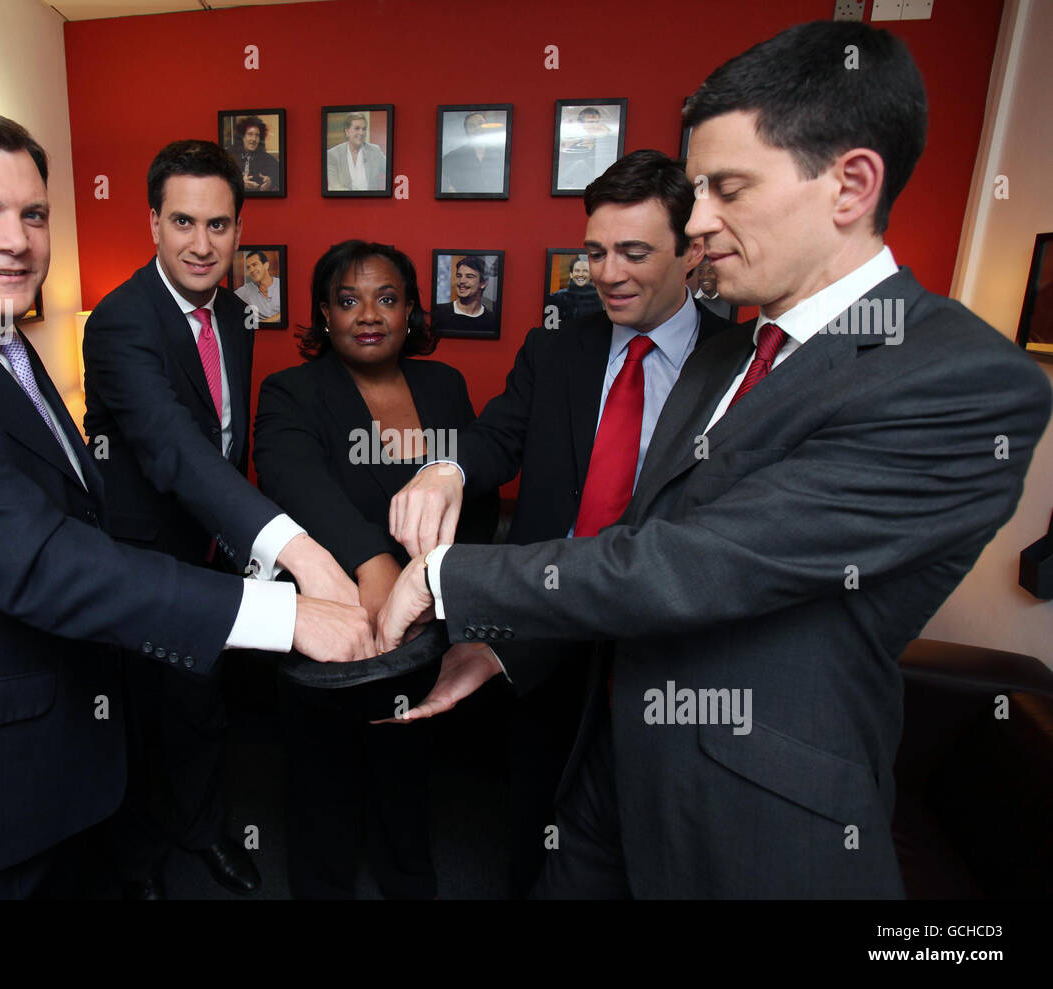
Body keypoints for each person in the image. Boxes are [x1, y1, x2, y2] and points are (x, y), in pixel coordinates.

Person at [380, 21, 1053, 898]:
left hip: (747, 817)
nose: (698, 224)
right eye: (696, 192)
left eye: (725, 188)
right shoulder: (740, 354)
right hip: (605, 764)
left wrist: (450, 577)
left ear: (850, 183)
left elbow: (698, 562)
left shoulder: (962, 380)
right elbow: (631, 531)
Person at [0, 109, 373, 900]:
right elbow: (43, 551)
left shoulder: (0, 334)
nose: (16, 239)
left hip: (64, 742)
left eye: (32, 214)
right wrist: (289, 608)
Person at [396, 150, 734, 896]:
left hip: (666, 649)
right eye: (595, 251)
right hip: (544, 638)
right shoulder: (555, 347)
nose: (607, 272)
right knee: (536, 826)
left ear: (692, 250)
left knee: (651, 846)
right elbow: (496, 438)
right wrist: (446, 468)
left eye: (634, 252)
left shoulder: (738, 363)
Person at [82, 139, 357, 898]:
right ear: (152, 223)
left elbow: (224, 439)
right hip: (140, 559)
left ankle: (200, 832)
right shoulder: (117, 324)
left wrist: (242, 542)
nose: (202, 245)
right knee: (139, 720)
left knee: (202, 708)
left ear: (240, 229)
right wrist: (290, 546)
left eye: (219, 225)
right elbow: (172, 448)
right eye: (183, 222)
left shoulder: (236, 311)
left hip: (211, 549)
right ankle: (136, 865)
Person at [253, 240, 497, 899]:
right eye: (348, 299)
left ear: (412, 311)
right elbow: (295, 481)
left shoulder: (444, 385)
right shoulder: (290, 391)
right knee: (321, 784)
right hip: (330, 631)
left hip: (423, 625)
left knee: (405, 767)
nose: (369, 314)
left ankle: (408, 877)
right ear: (323, 315)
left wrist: (456, 592)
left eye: (387, 298)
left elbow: (469, 492)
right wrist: (375, 562)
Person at [431, 255, 498, 334]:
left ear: (483, 283)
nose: (461, 281)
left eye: (469, 276)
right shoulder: (438, 312)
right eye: (459, 276)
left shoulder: (492, 320)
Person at [441, 111, 505, 194]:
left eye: (481, 124)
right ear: (466, 131)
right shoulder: (452, 157)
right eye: (471, 126)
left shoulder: (501, 155)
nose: (477, 128)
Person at [557, 106, 619, 191]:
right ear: (582, 125)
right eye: (590, 122)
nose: (595, 126)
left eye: (597, 122)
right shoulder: (572, 150)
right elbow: (567, 178)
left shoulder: (605, 146)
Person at [325, 112, 386, 192]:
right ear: (347, 132)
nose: (361, 133)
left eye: (364, 129)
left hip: (372, 202)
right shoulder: (333, 155)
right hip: (343, 202)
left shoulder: (375, 151)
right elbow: (334, 187)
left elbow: (392, 170)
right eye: (357, 128)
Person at [228, 116, 279, 194]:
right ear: (242, 137)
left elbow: (278, 178)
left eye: (257, 135)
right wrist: (240, 183)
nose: (254, 139)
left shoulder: (269, 160)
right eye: (250, 134)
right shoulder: (229, 158)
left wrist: (270, 182)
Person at [546, 254, 604, 322]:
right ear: (571, 274)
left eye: (585, 271)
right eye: (577, 270)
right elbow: (550, 327)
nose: (580, 274)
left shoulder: (602, 299)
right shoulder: (556, 298)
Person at [234, 249, 281, 324]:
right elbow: (228, 300)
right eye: (248, 267)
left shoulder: (280, 285)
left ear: (266, 265)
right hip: (259, 332)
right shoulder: (245, 291)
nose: (251, 270)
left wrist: (266, 321)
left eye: (254, 264)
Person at [692, 256, 733, 320]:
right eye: (701, 273)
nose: (705, 277)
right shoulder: (691, 300)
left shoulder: (730, 300)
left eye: (710, 272)